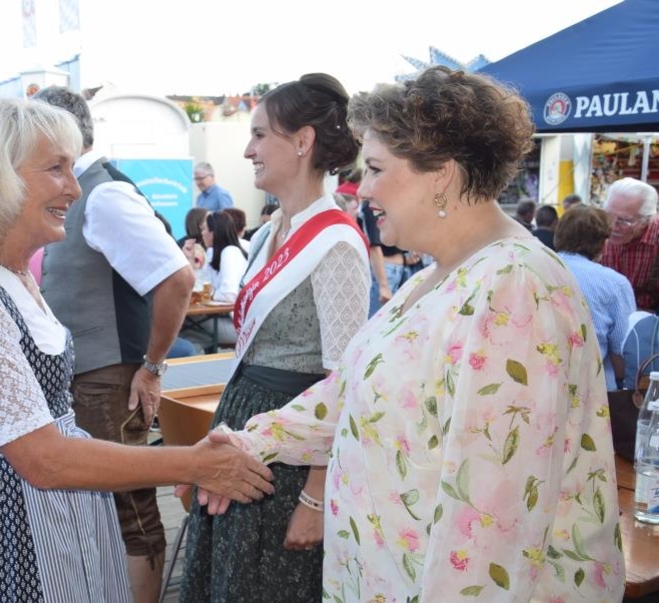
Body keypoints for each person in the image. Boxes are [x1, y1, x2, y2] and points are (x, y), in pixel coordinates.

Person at [195, 66, 625, 601]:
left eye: (375, 168)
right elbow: (346, 393)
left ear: (440, 173)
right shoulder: (437, 274)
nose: (364, 188)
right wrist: (246, 442)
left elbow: (487, 522)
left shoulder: (513, 287)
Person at [0, 96, 273, 603]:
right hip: (9, 522)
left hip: (59, 515)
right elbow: (42, 460)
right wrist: (194, 463)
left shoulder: (12, 274)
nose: (74, 186)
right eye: (55, 168)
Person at [181, 73, 370, 603]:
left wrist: (315, 496)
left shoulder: (335, 244)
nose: (248, 149)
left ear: (303, 141)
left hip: (291, 449)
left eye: (261, 135)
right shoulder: (268, 232)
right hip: (247, 418)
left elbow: (345, 381)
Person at [34, 85, 197, 603]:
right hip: (91, 375)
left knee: (127, 509)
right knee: (110, 508)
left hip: (107, 378)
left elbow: (177, 278)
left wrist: (151, 367)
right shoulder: (86, 191)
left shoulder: (102, 193)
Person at [555, 206, 635, 390]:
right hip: (594, 393)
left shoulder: (534, 269)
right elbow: (622, 355)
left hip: (542, 391)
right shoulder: (614, 283)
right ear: (604, 244)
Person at [180, 211, 247, 351]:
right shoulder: (212, 252)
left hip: (238, 324)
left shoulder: (230, 252)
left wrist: (210, 294)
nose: (202, 233)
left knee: (184, 319)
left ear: (213, 232)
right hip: (222, 318)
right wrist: (190, 260)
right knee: (188, 337)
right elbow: (199, 284)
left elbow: (229, 295)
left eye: (204, 229)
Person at [599, 177, 659, 312]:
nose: (612, 226)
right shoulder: (595, 230)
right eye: (609, 216)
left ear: (646, 220)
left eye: (624, 221)